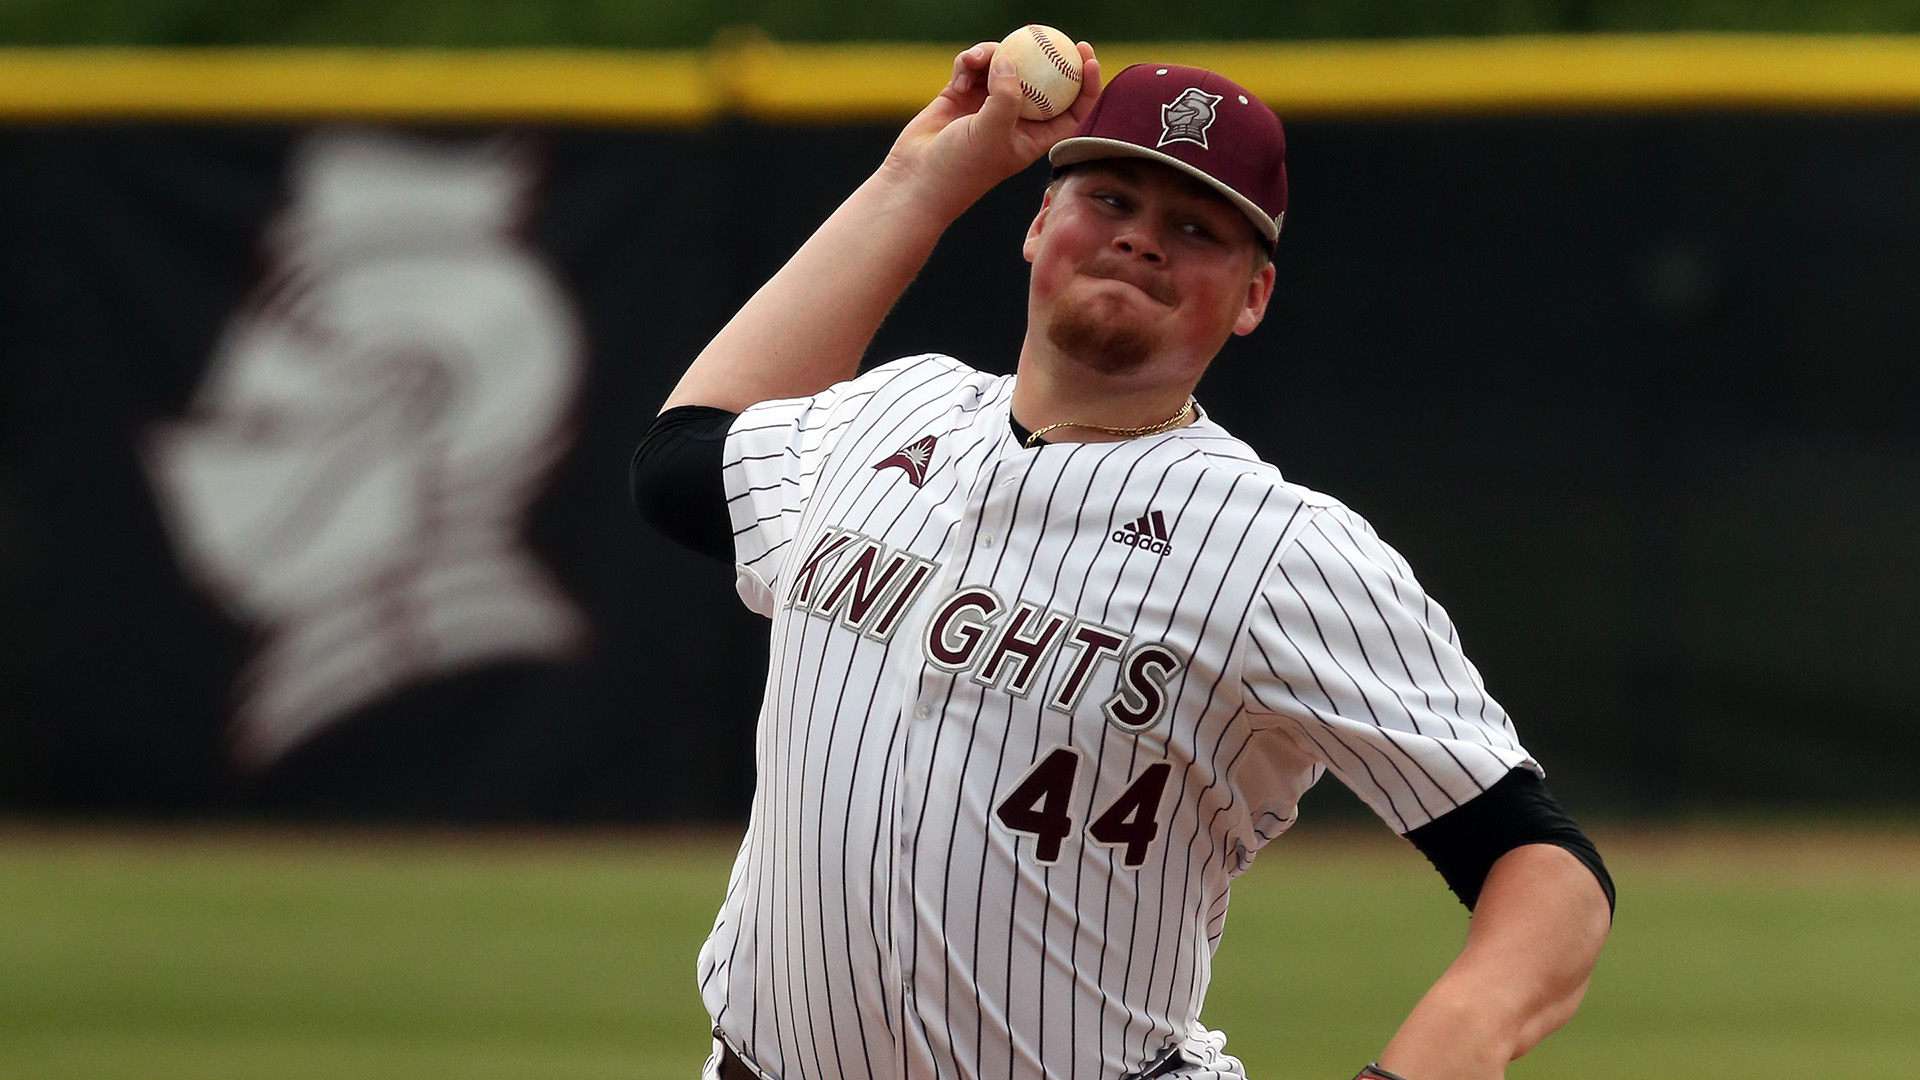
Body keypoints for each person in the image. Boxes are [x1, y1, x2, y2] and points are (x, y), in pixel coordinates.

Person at [632, 40, 1612, 1080]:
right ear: (1039, 223)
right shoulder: (885, 415)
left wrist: (1428, 1062)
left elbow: (1543, 865)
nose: (1143, 240)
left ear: (1252, 296)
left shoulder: (1279, 551)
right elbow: (682, 457)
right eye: (1109, 200)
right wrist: (924, 177)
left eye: (1195, 229)